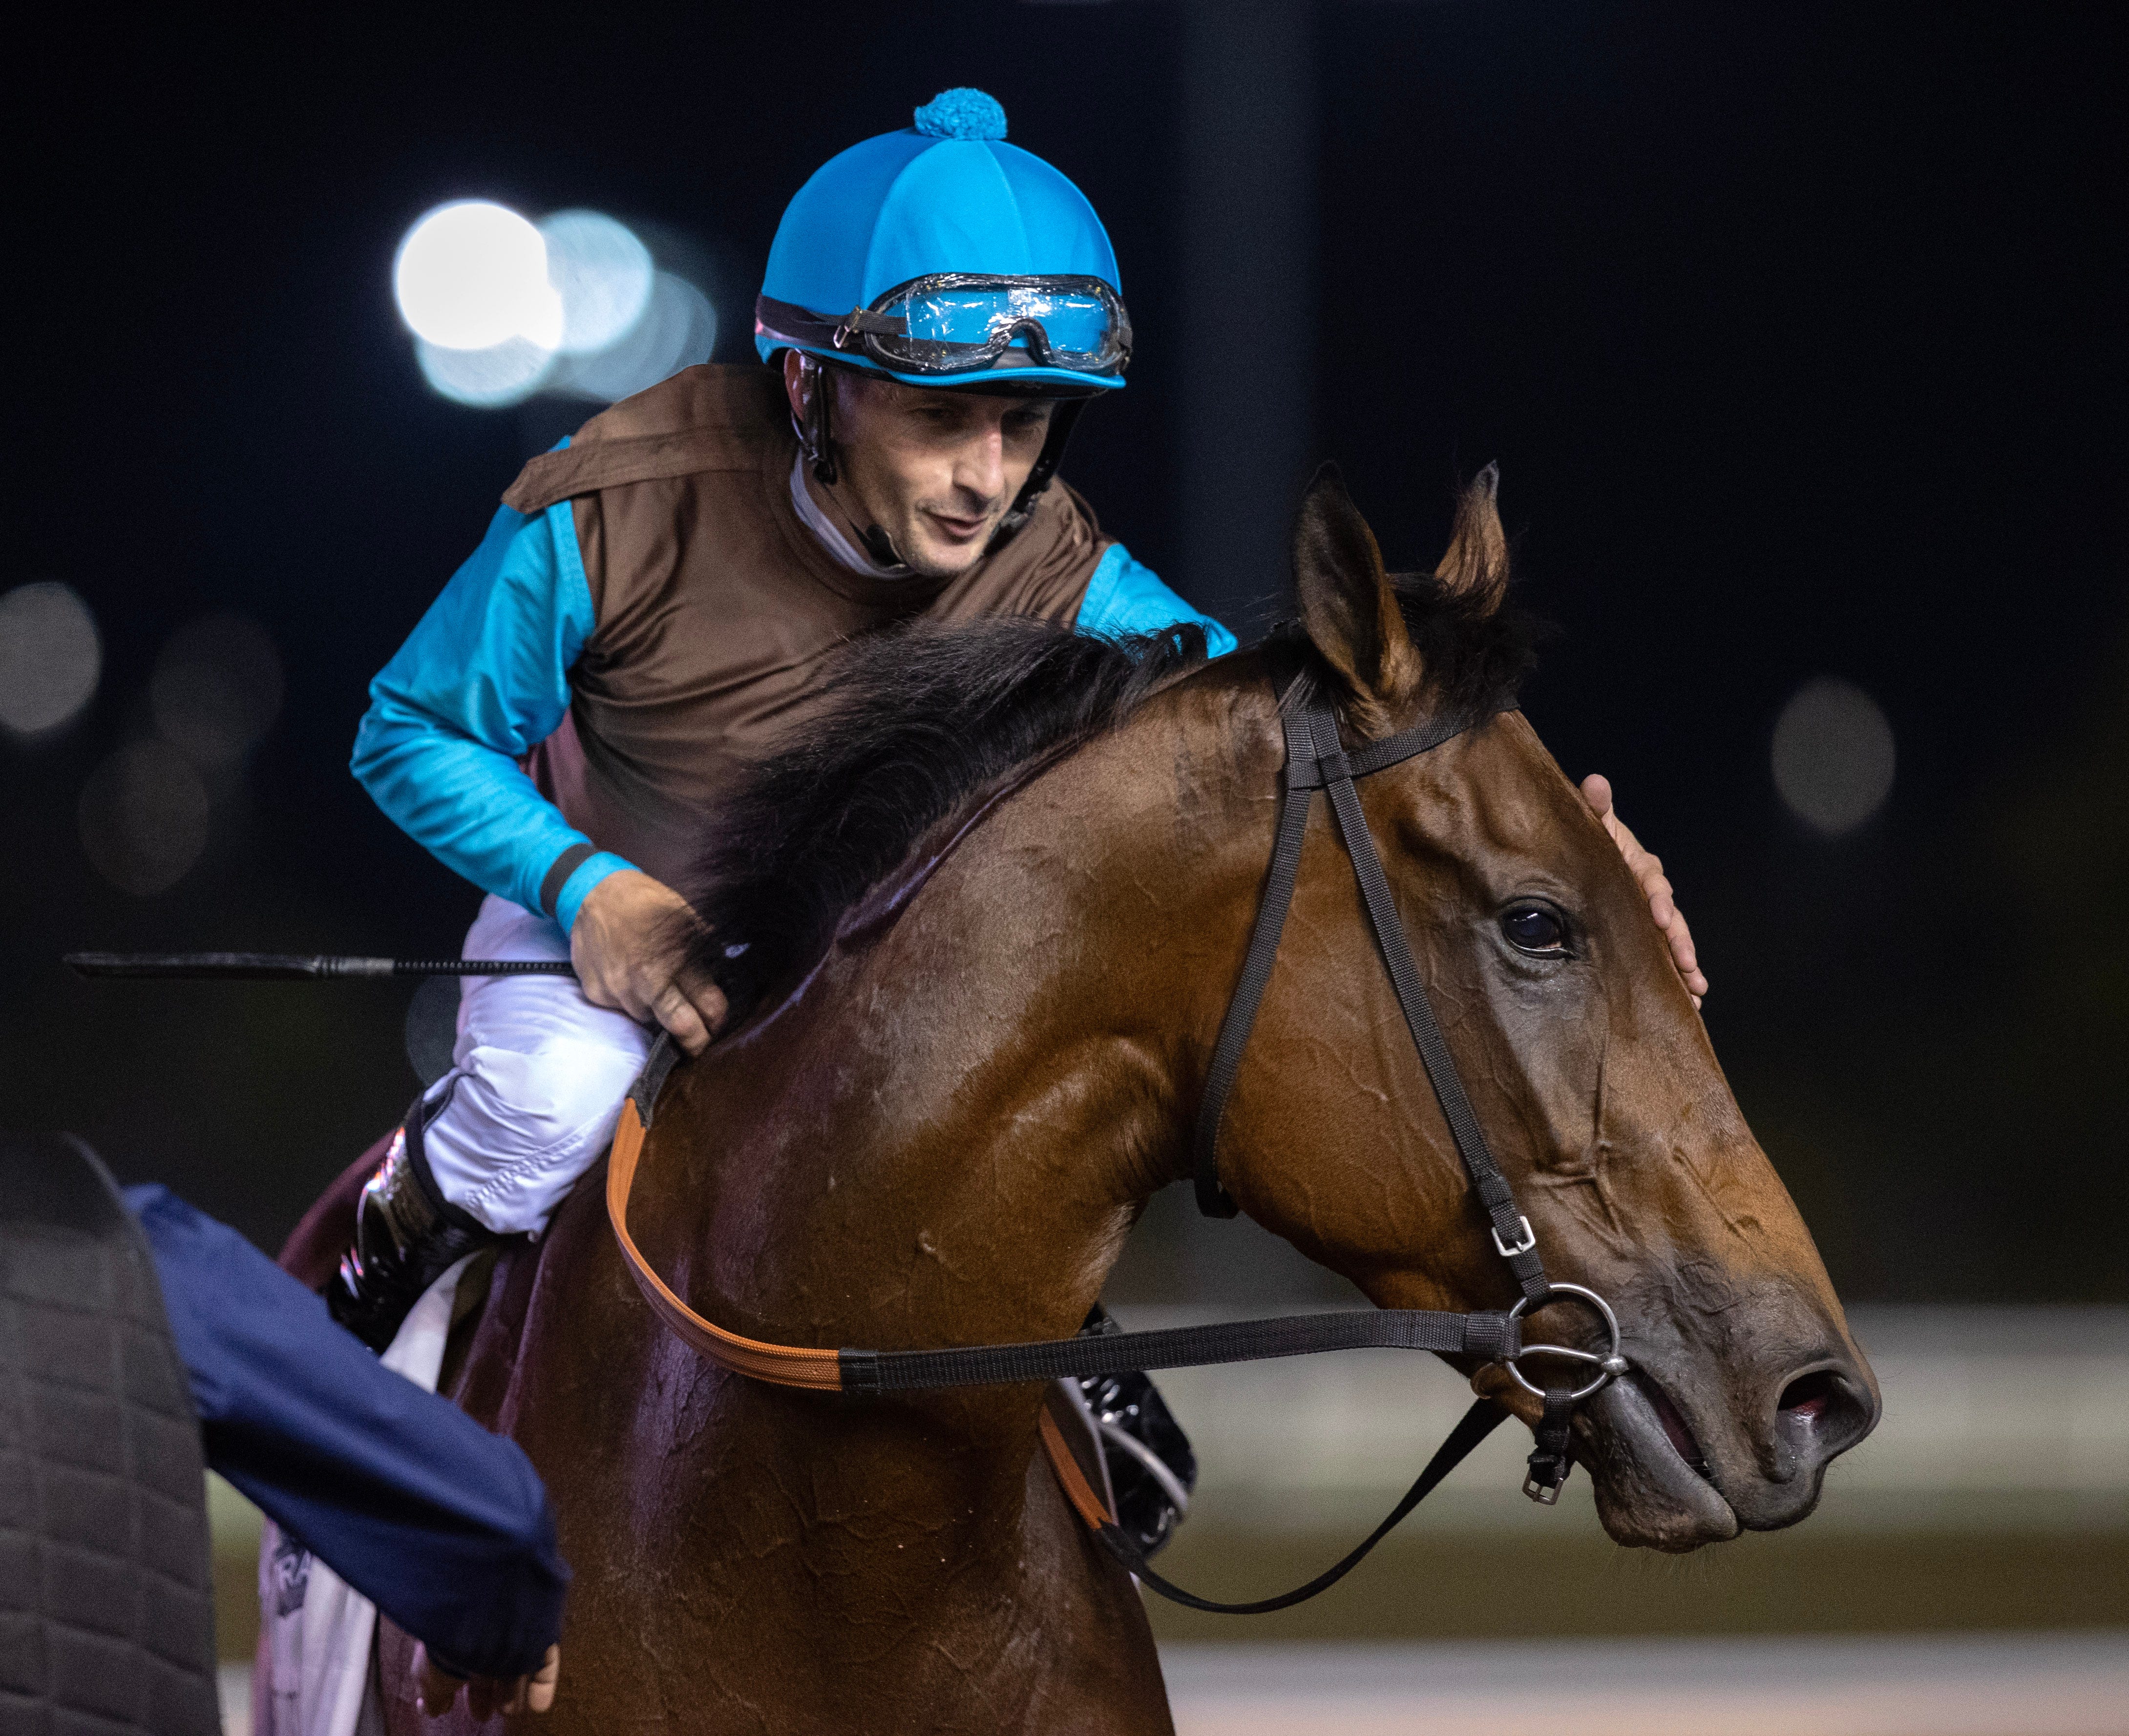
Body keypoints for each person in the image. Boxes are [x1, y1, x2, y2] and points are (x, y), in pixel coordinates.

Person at [330, 88, 1704, 1550]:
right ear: (809, 388)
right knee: (536, 1119)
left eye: (1024, 420)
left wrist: (1586, 865)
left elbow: (1293, 737)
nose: (990, 475)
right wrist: (583, 884)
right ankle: (366, 1327)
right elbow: (405, 727)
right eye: (940, 418)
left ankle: (1052, 1350)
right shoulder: (609, 511)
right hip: (619, 918)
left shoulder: (1059, 568)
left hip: (857, 970)